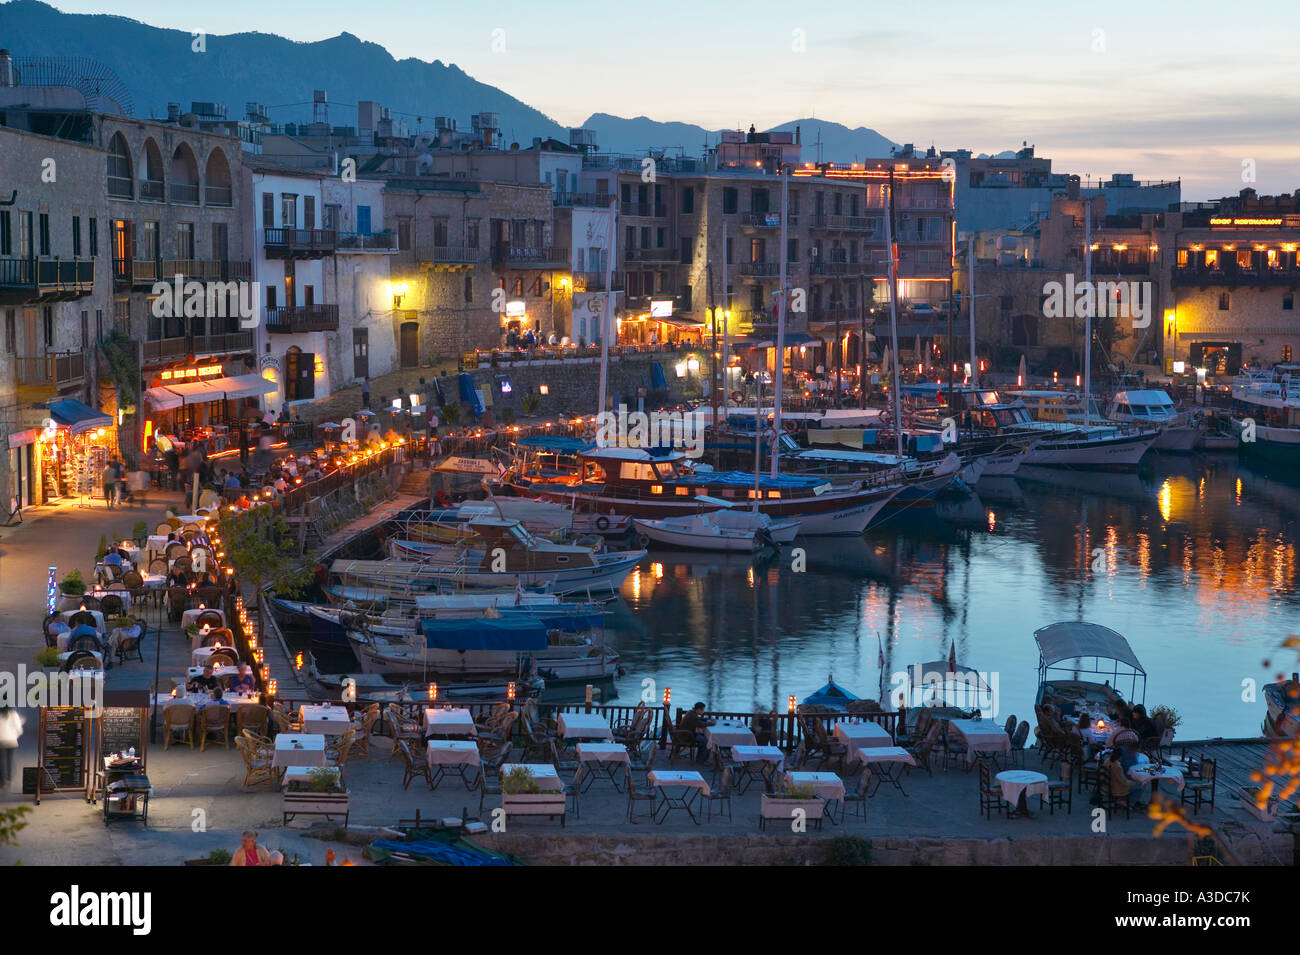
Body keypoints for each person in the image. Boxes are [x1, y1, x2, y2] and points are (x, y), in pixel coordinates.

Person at [0, 706, 23, 787]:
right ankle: (9, 780)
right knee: (9, 761)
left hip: (1, 741)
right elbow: (19, 728)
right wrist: (14, 735)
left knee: (1, 761)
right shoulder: (13, 714)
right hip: (12, 741)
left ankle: (2, 781)